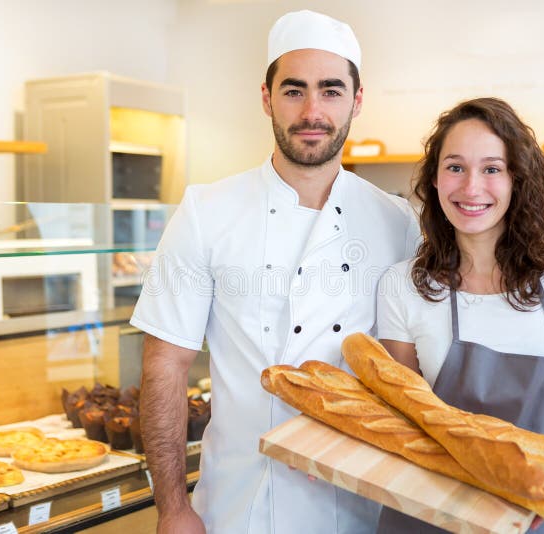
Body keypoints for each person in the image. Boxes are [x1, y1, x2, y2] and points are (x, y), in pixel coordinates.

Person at [130, 10, 420, 534]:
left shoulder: (399, 224)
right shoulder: (206, 211)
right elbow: (165, 367)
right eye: (294, 90)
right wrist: (172, 507)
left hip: (362, 504)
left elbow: (411, 375)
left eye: (331, 91)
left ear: (357, 100)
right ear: (266, 98)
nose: (312, 111)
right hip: (240, 505)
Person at [374, 97, 544, 533]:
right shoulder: (402, 284)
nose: (471, 188)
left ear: (517, 179)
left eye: (491, 168)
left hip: (534, 515)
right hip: (427, 512)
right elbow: (401, 421)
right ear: (433, 179)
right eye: (455, 167)